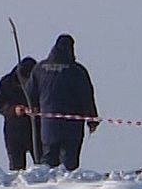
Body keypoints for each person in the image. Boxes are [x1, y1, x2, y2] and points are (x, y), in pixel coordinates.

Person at [25, 34, 100, 171]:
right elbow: (86, 97)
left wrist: (33, 108)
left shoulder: (40, 69)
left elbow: (30, 93)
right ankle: (67, 182)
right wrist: (92, 120)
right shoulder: (77, 71)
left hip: (48, 124)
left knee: (48, 161)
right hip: (72, 125)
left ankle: (45, 181)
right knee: (69, 164)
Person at [0, 57, 37, 171]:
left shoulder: (39, 82)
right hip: (14, 131)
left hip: (35, 130)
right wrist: (13, 109)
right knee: (16, 167)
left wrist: (37, 109)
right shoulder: (7, 82)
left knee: (41, 167)